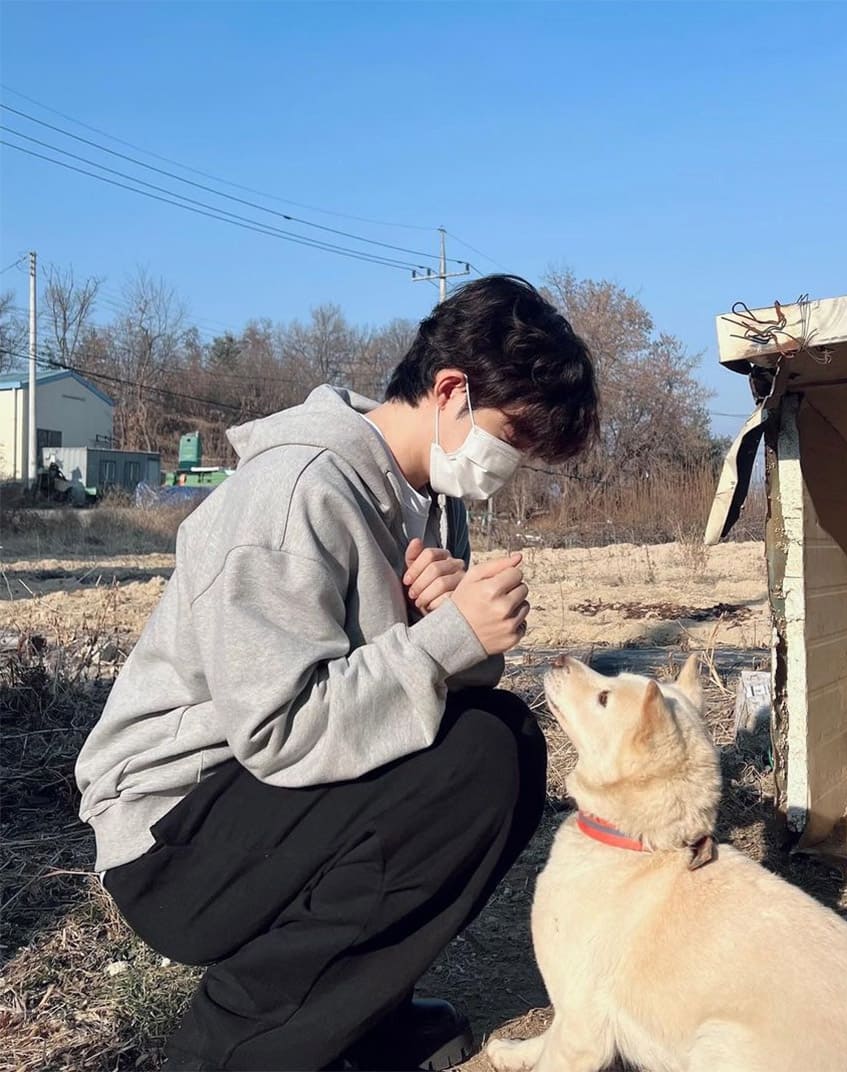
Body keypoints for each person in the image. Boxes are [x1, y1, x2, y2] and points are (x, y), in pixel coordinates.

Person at [74, 275, 599, 1072]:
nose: (511, 468)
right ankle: (230, 1049)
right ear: (451, 390)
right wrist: (444, 641)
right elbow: (279, 730)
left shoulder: (423, 497)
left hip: (262, 806)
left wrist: (460, 638)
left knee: (506, 743)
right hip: (174, 836)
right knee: (478, 763)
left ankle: (356, 1017)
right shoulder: (297, 492)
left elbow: (412, 694)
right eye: (513, 440)